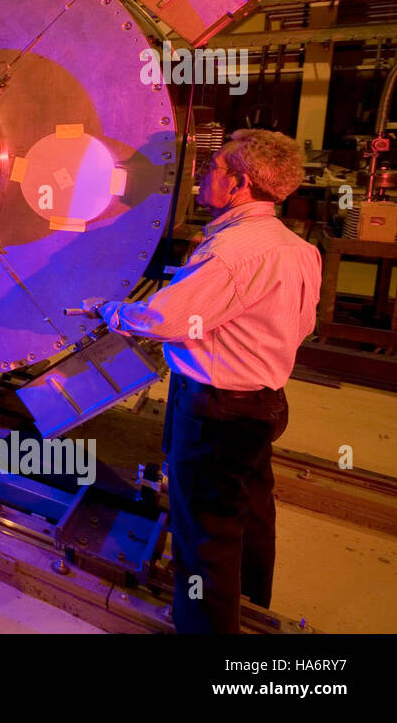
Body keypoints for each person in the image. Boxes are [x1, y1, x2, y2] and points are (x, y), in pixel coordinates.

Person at [84, 129, 321, 633]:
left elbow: (164, 320)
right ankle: (254, 602)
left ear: (238, 183)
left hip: (217, 409)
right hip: (265, 401)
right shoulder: (298, 248)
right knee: (252, 509)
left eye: (212, 168)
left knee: (206, 532)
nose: (202, 175)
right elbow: (302, 326)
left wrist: (109, 311)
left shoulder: (231, 252)